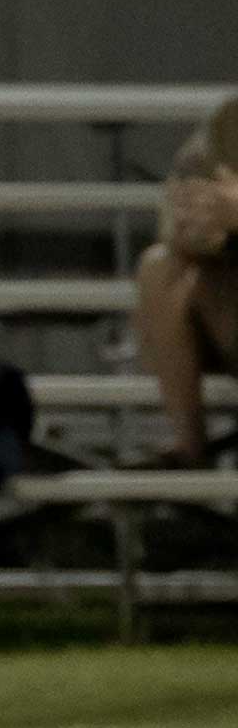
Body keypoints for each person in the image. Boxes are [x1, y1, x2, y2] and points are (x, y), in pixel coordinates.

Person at [135, 96, 238, 466]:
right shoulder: (228, 123)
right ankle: (192, 454)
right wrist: (201, 226)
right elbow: (176, 216)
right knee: (160, 268)